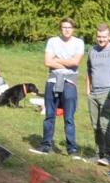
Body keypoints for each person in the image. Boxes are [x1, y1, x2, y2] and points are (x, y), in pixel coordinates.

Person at [35, 18, 84, 158]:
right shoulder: (52, 41)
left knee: (69, 117)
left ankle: (71, 148)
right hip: (52, 80)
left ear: (73, 29)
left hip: (69, 82)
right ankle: (45, 145)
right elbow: (46, 61)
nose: (67, 30)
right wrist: (67, 64)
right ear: (60, 28)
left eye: (69, 27)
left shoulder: (78, 43)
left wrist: (56, 60)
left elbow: (75, 62)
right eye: (64, 27)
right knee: (49, 115)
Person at [84, 24, 110, 166]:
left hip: (109, 93)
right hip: (93, 94)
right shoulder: (92, 51)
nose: (101, 39)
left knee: (105, 125)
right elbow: (89, 70)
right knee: (95, 125)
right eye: (99, 37)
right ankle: (98, 154)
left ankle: (109, 156)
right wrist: (88, 90)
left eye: (104, 37)